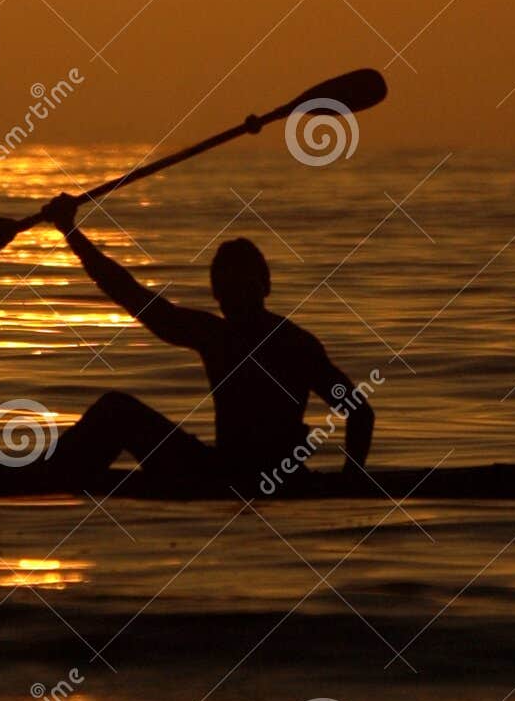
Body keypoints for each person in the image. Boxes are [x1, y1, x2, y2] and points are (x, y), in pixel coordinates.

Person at [40, 193, 373, 496]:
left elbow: (359, 412)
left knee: (116, 409)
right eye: (229, 287)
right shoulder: (219, 335)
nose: (237, 295)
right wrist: (71, 233)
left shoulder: (284, 344)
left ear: (264, 287)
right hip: (224, 473)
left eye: (244, 285)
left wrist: (351, 480)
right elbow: (129, 293)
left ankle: (46, 479)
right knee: (118, 409)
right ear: (218, 296)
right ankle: (55, 476)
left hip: (239, 478)